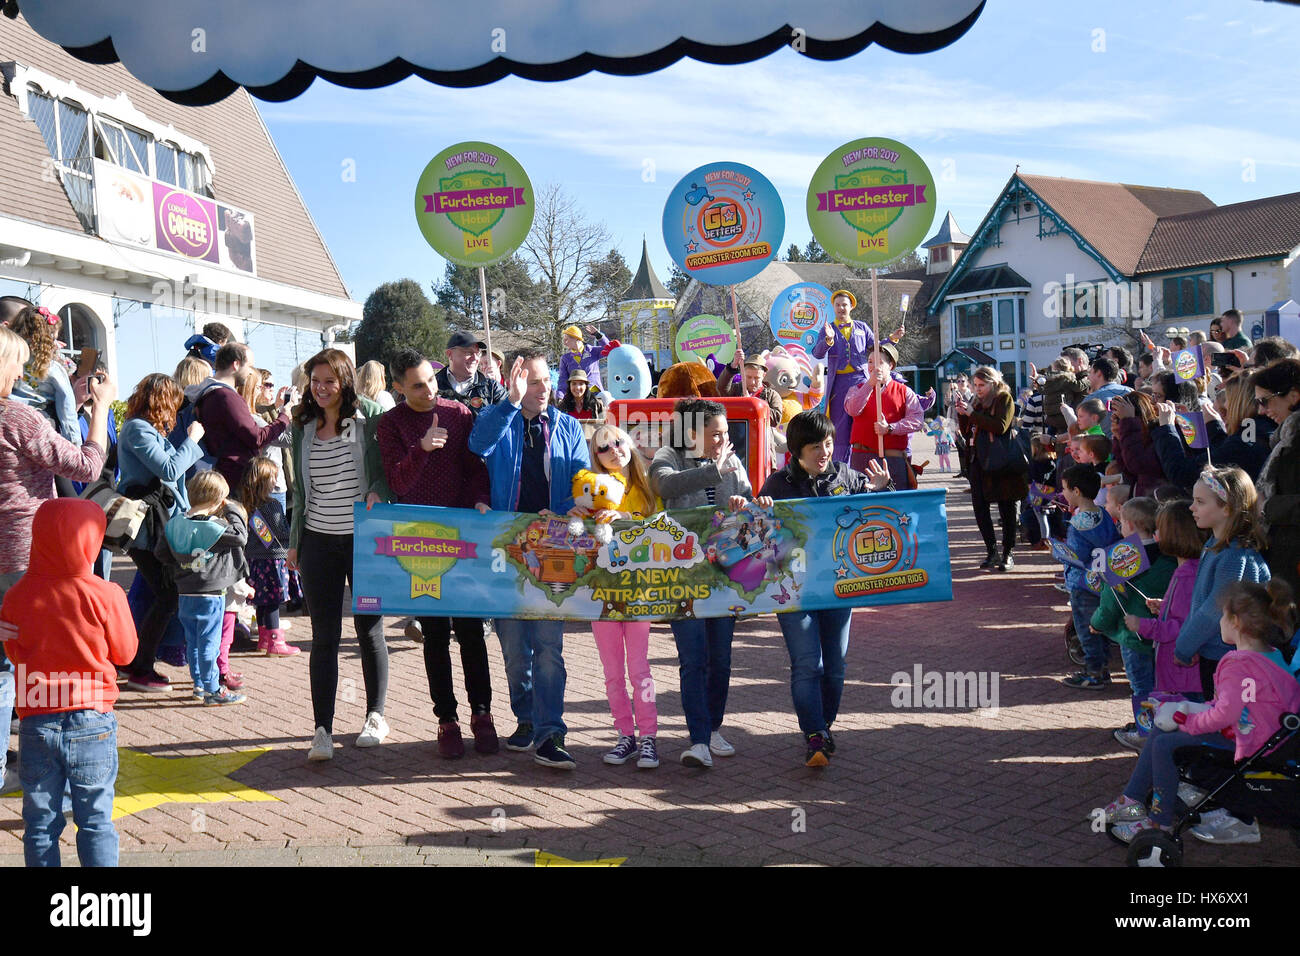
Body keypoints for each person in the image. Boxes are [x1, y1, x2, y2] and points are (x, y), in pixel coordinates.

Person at [1105, 579, 1300, 845]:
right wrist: (1185, 714)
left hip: (1245, 743)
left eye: (1221, 617)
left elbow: (1225, 715)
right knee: (1163, 730)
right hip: (1260, 739)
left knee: (1166, 745)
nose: (1218, 623)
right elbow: (1244, 706)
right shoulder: (1271, 656)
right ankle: (1133, 799)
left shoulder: (1239, 665)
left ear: (1236, 622)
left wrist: (1187, 721)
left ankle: (1157, 824)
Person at [470, 350, 590, 769]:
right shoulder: (499, 421)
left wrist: (577, 506)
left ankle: (550, 731)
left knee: (548, 646)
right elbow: (477, 444)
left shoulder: (569, 426)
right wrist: (508, 402)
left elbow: (582, 479)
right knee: (515, 648)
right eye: (533, 383)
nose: (542, 390)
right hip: (506, 549)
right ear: (516, 382)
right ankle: (525, 718)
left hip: (554, 548)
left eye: (545, 382)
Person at [1, 498, 138, 867]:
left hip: (36, 720)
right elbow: (125, 654)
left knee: (41, 823)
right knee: (95, 820)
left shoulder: (17, 596)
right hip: (92, 716)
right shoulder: (106, 594)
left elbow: (15, 655)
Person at [378, 348, 496, 759]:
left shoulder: (459, 414)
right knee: (433, 634)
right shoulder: (390, 424)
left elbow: (474, 469)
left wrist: (480, 499)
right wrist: (422, 448)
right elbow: (397, 483)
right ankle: (446, 720)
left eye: (431, 380)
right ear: (397, 387)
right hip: (420, 543)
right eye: (417, 385)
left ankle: (483, 714)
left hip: (461, 536)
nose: (429, 390)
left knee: (470, 632)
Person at [760, 411, 891, 766]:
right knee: (807, 664)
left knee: (835, 665)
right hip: (794, 590)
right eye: (815, 445)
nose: (824, 451)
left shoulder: (848, 477)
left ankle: (824, 728)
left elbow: (881, 520)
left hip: (839, 587)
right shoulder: (777, 485)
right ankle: (814, 733)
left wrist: (883, 491)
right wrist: (761, 514)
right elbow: (758, 539)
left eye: (829, 443)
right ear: (796, 450)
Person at [287, 349, 392, 761]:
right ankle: (322, 730)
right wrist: (295, 541)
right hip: (317, 541)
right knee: (323, 636)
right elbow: (299, 491)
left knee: (368, 630)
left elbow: (385, 471)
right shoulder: (303, 424)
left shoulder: (367, 417)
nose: (322, 388)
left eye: (330, 380)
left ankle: (375, 715)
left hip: (362, 541)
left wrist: (378, 491)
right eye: (316, 381)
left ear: (345, 380)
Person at [649, 398, 759, 768]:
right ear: (692, 432)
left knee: (721, 659)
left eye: (726, 433)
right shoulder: (669, 454)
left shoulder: (731, 460)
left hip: (724, 575)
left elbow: (748, 498)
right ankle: (697, 740)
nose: (723, 440)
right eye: (716, 434)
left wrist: (744, 501)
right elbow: (663, 487)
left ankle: (713, 728)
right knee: (692, 659)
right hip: (684, 576)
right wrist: (713, 470)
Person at [575, 423, 661, 769]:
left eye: (618, 442)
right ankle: (625, 735)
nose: (614, 450)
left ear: (629, 443)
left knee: (640, 669)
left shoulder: (648, 487)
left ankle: (650, 738)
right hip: (602, 595)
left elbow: (662, 528)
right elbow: (577, 541)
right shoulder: (589, 491)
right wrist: (577, 517)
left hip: (639, 592)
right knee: (612, 673)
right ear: (595, 457)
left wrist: (626, 518)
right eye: (603, 448)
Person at [116, 373, 207, 692]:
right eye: (174, 403)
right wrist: (192, 441)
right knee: (168, 593)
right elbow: (169, 470)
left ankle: (135, 662)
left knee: (163, 593)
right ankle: (139, 666)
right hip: (147, 527)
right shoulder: (138, 429)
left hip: (157, 524)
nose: (177, 411)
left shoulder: (145, 429)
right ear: (162, 401)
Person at [1175, 465, 1271, 699]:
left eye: (1200, 501)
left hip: (1227, 656)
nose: (1191, 507)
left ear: (1227, 508)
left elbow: (1213, 610)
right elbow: (1201, 602)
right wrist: (1194, 642)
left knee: (1225, 718)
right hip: (1216, 650)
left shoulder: (1234, 556)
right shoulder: (1214, 546)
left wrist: (1185, 646)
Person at [155, 470, 248, 705]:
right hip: (211, 594)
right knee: (209, 644)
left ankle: (198, 684)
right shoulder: (215, 526)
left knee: (193, 641)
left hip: (185, 592)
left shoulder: (175, 523)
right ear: (217, 500)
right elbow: (240, 536)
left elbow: (161, 553)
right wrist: (231, 509)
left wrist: (184, 563)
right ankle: (213, 689)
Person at [1089, 497, 1175, 748]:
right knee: (1163, 686)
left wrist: (1098, 624)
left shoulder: (1122, 557)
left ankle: (1146, 734)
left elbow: (1110, 602)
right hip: (1164, 635)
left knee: (1141, 687)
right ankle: (1164, 727)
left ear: (1131, 524)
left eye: (1122, 522)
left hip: (1133, 636)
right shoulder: (1170, 558)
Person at [1118, 500, 1208, 744]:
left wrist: (1144, 625)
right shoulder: (1189, 569)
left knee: (1188, 726)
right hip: (1180, 669)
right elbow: (1184, 613)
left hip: (1184, 672)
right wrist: (1163, 607)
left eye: (1161, 528)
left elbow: (1183, 628)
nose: (1156, 533)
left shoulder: (1188, 573)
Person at [193, 342, 293, 490]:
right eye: (249, 366)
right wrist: (284, 416)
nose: (250, 372)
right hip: (234, 480)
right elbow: (257, 437)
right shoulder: (226, 397)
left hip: (223, 477)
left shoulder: (206, 394)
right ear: (236, 364)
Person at [1058, 464, 1121, 689]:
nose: (1062, 493)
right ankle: (1101, 669)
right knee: (1100, 626)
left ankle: (1094, 672)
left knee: (1086, 628)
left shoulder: (1078, 522)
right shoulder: (1102, 513)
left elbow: (1076, 555)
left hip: (1083, 583)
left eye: (1065, 488)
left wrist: (1060, 552)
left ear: (1076, 491)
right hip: (1103, 580)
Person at [958, 366, 1026, 571]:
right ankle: (991, 551)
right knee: (980, 507)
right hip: (978, 460)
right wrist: (963, 414)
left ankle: (1008, 553)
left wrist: (971, 413)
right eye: (975, 385)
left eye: (982, 385)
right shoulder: (976, 401)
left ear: (993, 382)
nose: (978, 389)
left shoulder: (1003, 398)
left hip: (1000, 461)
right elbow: (968, 430)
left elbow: (1000, 426)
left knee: (1006, 507)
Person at [238, 456, 298, 658]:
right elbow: (280, 531)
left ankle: (264, 638)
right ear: (266, 481)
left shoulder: (247, 505)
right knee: (272, 600)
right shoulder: (271, 505)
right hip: (273, 560)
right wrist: (293, 536)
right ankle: (275, 642)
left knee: (262, 601)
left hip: (254, 559)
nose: (276, 481)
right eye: (274, 477)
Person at [844, 342, 922, 489]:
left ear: (890, 365)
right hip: (862, 458)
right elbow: (853, 410)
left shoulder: (904, 392)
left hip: (892, 459)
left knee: (894, 507)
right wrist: (869, 384)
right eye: (870, 362)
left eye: (879, 362)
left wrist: (891, 428)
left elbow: (917, 420)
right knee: (863, 506)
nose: (873, 366)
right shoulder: (856, 389)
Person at [1254, 358, 1300, 598]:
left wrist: (1268, 507)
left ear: (1293, 396)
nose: (1261, 410)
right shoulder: (1286, 438)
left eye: (1265, 400)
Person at [813, 289, 875, 463]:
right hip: (838, 384)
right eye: (838, 305)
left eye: (844, 305)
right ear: (833, 307)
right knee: (839, 428)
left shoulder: (862, 327)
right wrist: (828, 341)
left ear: (851, 307)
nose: (841, 308)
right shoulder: (827, 329)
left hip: (861, 381)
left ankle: (865, 464)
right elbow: (817, 353)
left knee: (864, 421)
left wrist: (892, 339)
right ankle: (839, 467)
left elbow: (876, 348)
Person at [437, 330, 506, 417]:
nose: (475, 358)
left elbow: (506, 420)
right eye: (469, 352)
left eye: (478, 353)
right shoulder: (432, 386)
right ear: (450, 354)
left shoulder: (492, 389)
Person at [556, 324, 609, 401]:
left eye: (566, 339)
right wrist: (560, 397)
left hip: (595, 394)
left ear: (576, 339)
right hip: (577, 396)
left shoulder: (592, 351)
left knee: (606, 397)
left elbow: (608, 349)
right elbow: (563, 379)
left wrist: (598, 335)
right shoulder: (565, 358)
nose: (564, 342)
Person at [1082, 356, 1132, 430]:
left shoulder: (1092, 399)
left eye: (1090, 373)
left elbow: (1082, 428)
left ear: (1099, 373)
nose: (1088, 377)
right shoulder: (1131, 391)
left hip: (1103, 440)